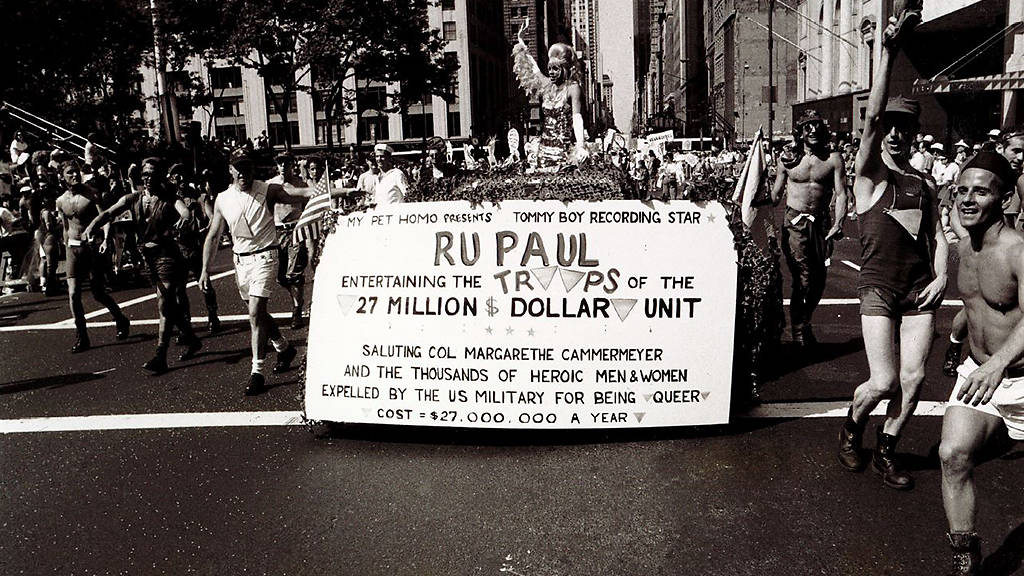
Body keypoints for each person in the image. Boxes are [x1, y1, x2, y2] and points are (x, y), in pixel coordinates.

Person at [837, 15, 947, 491]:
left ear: (914, 132)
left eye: (906, 127)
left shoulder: (924, 183)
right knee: (882, 382)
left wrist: (942, 278)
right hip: (878, 288)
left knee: (915, 377)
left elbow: (938, 238)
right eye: (891, 126)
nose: (896, 134)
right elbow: (870, 121)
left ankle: (887, 448)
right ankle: (852, 427)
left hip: (920, 289)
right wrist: (887, 54)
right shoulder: (868, 178)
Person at [938, 151, 1023, 575]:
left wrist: (1000, 364)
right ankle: (966, 562)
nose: (968, 200)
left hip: (1020, 378)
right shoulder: (965, 243)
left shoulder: (1017, 251)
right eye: (962, 191)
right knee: (952, 454)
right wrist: (957, 342)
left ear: (1005, 198)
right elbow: (977, 306)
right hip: (979, 372)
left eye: (981, 192)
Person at [199, 150, 344, 395]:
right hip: (241, 261)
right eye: (238, 168)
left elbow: (303, 193)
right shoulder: (223, 199)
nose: (243, 173)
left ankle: (257, 371)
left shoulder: (267, 190)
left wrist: (344, 192)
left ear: (253, 170)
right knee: (260, 313)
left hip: (265, 256)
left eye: (247, 168)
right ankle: (284, 347)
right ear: (231, 171)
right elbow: (213, 236)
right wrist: (205, 270)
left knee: (255, 312)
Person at [86, 158, 200, 373]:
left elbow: (184, 211)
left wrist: (183, 220)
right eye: (145, 174)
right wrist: (93, 226)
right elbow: (109, 213)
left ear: (161, 176)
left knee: (163, 303)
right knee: (170, 306)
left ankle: (160, 354)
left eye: (152, 174)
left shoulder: (169, 198)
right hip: (148, 257)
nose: (147, 178)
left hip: (168, 255)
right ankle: (191, 338)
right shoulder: (134, 197)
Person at [770, 109, 848, 347]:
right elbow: (775, 195)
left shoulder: (833, 159)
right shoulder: (788, 160)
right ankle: (798, 329)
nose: (812, 131)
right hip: (795, 224)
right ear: (800, 132)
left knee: (819, 280)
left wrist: (839, 222)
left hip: (822, 224)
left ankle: (805, 320)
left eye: (816, 126)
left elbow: (842, 193)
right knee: (802, 277)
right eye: (807, 127)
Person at [55, 161, 131, 352]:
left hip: (91, 248)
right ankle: (82, 337)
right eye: (69, 172)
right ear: (62, 176)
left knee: (98, 292)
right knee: (73, 294)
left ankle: (120, 319)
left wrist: (105, 239)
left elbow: (104, 218)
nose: (74, 175)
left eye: (76, 171)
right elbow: (65, 228)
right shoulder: (60, 201)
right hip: (73, 249)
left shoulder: (91, 194)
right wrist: (65, 249)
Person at [512, 18, 588, 170]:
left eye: (555, 69)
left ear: (565, 69)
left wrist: (580, 145)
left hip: (564, 153)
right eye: (549, 68)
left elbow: (577, 118)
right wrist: (521, 41)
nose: (551, 72)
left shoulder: (573, 88)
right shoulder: (546, 85)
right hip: (543, 152)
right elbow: (532, 66)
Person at [267, 152, 308, 329]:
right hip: (276, 232)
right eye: (280, 163)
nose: (283, 166)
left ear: (293, 164)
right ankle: (297, 297)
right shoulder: (271, 185)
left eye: (286, 163)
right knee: (280, 277)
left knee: (295, 275)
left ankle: (297, 310)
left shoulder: (301, 185)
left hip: (295, 230)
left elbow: (308, 209)